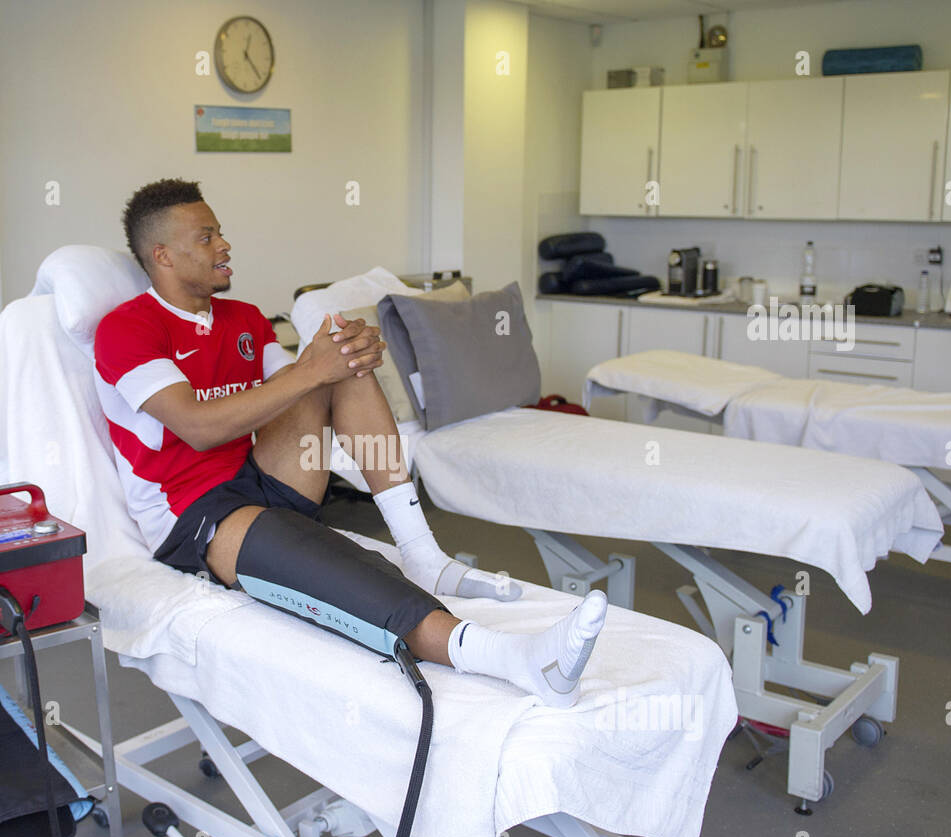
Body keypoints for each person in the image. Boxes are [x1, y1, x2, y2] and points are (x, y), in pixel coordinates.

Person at [94, 178, 606, 707]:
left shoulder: (242, 318)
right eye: (206, 238)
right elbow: (198, 427)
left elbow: (295, 391)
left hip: (262, 475)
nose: (224, 246)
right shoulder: (128, 329)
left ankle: (420, 550)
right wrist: (312, 369)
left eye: (220, 233)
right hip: (193, 512)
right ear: (163, 256)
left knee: (340, 358)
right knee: (330, 564)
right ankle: (514, 659)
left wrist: (341, 354)